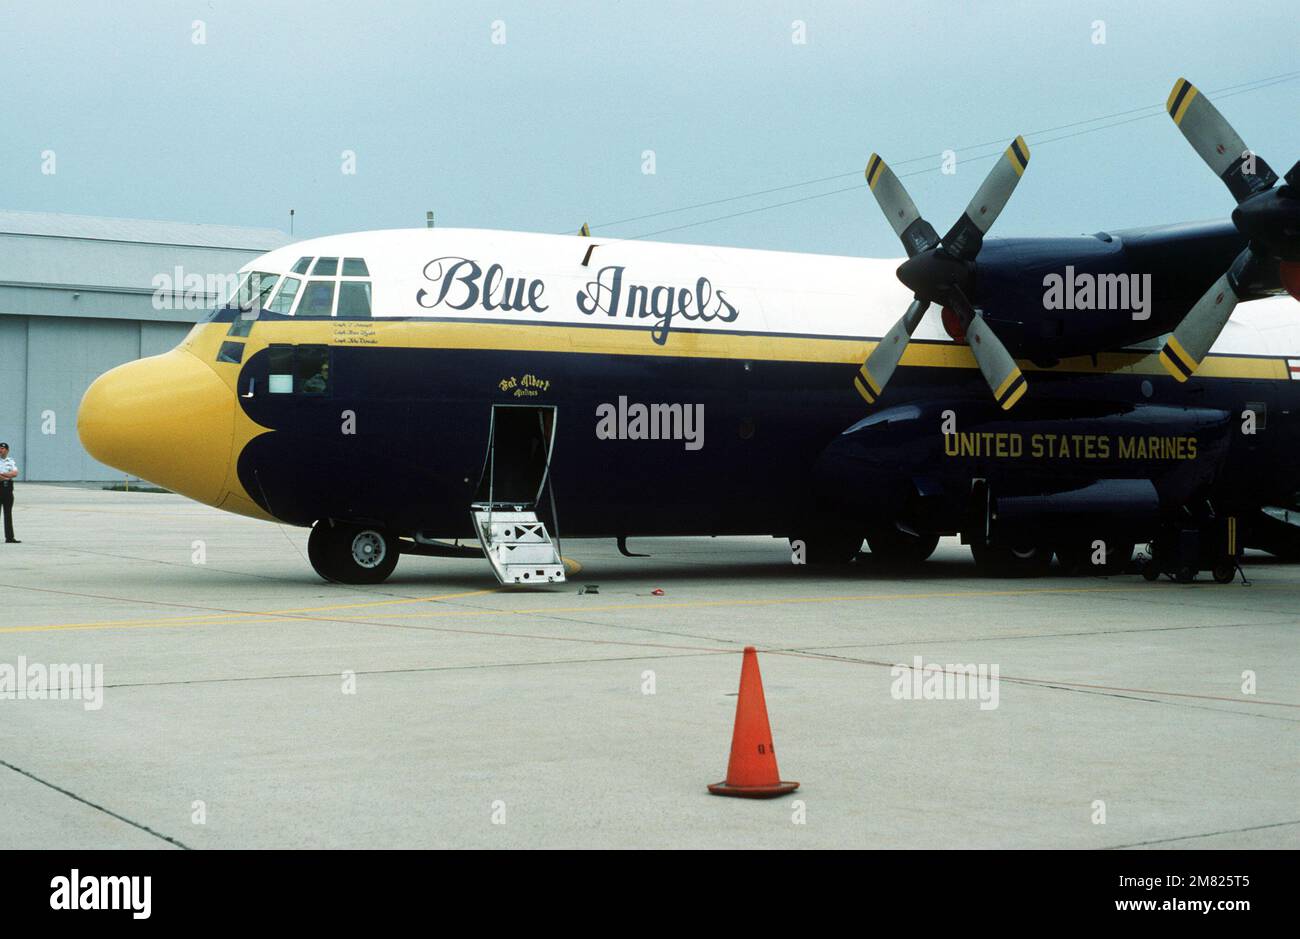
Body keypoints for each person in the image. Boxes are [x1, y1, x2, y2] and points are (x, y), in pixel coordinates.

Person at [0, 442, 19, 543]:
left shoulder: (11, 461)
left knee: (8, 514)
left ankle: (10, 537)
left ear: (7, 450)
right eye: (0, 448)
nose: (1, 450)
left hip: (8, 489)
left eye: (3, 448)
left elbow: (15, 473)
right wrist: (8, 476)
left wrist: (3, 475)